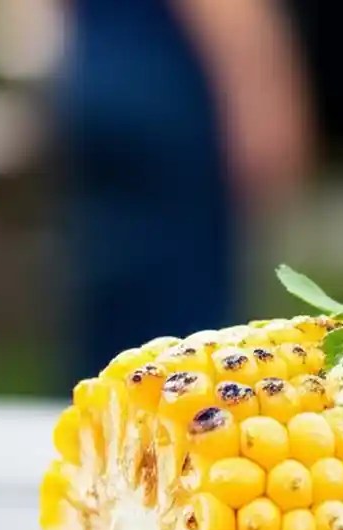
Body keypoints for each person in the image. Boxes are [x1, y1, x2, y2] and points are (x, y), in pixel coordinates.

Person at [56, 0, 311, 383]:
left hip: (99, 79)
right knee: (183, 328)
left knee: (112, 309)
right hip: (167, 95)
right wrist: (264, 102)